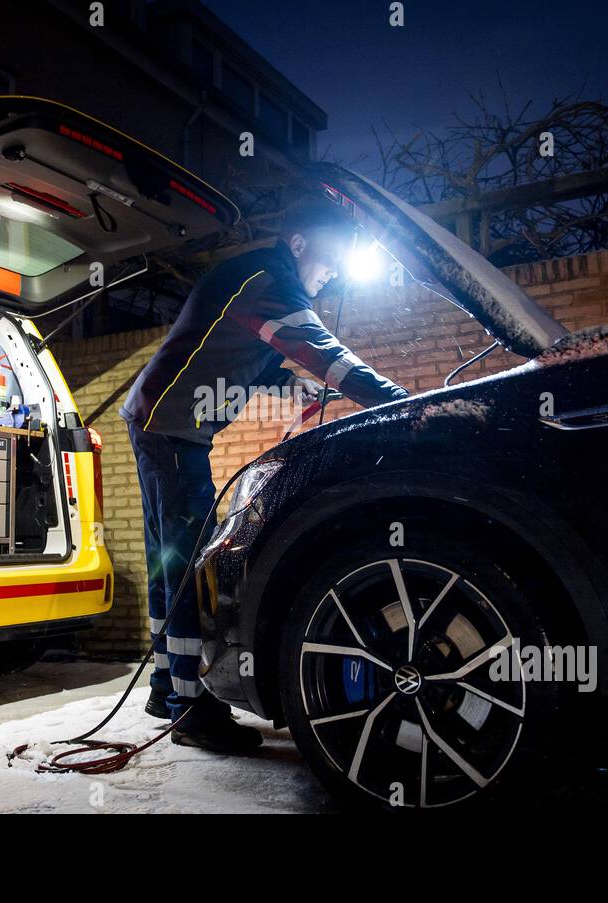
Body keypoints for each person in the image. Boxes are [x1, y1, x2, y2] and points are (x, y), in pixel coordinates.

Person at [120, 196, 409, 753]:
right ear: (298, 244)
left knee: (168, 562)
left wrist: (289, 385)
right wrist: (397, 402)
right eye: (327, 263)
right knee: (186, 566)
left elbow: (245, 351)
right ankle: (189, 714)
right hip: (172, 429)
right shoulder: (268, 278)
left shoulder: (254, 276)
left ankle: (165, 689)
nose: (329, 277)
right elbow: (321, 349)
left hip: (161, 423)